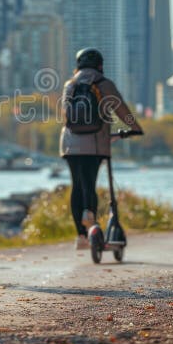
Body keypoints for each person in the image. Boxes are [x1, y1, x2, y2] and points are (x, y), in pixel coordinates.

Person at [59, 48, 143, 250]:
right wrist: (135, 128)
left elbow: (65, 115)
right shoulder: (104, 84)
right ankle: (90, 219)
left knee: (77, 185)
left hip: (70, 145)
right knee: (89, 184)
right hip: (95, 143)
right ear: (100, 65)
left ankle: (81, 236)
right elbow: (121, 109)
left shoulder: (70, 85)